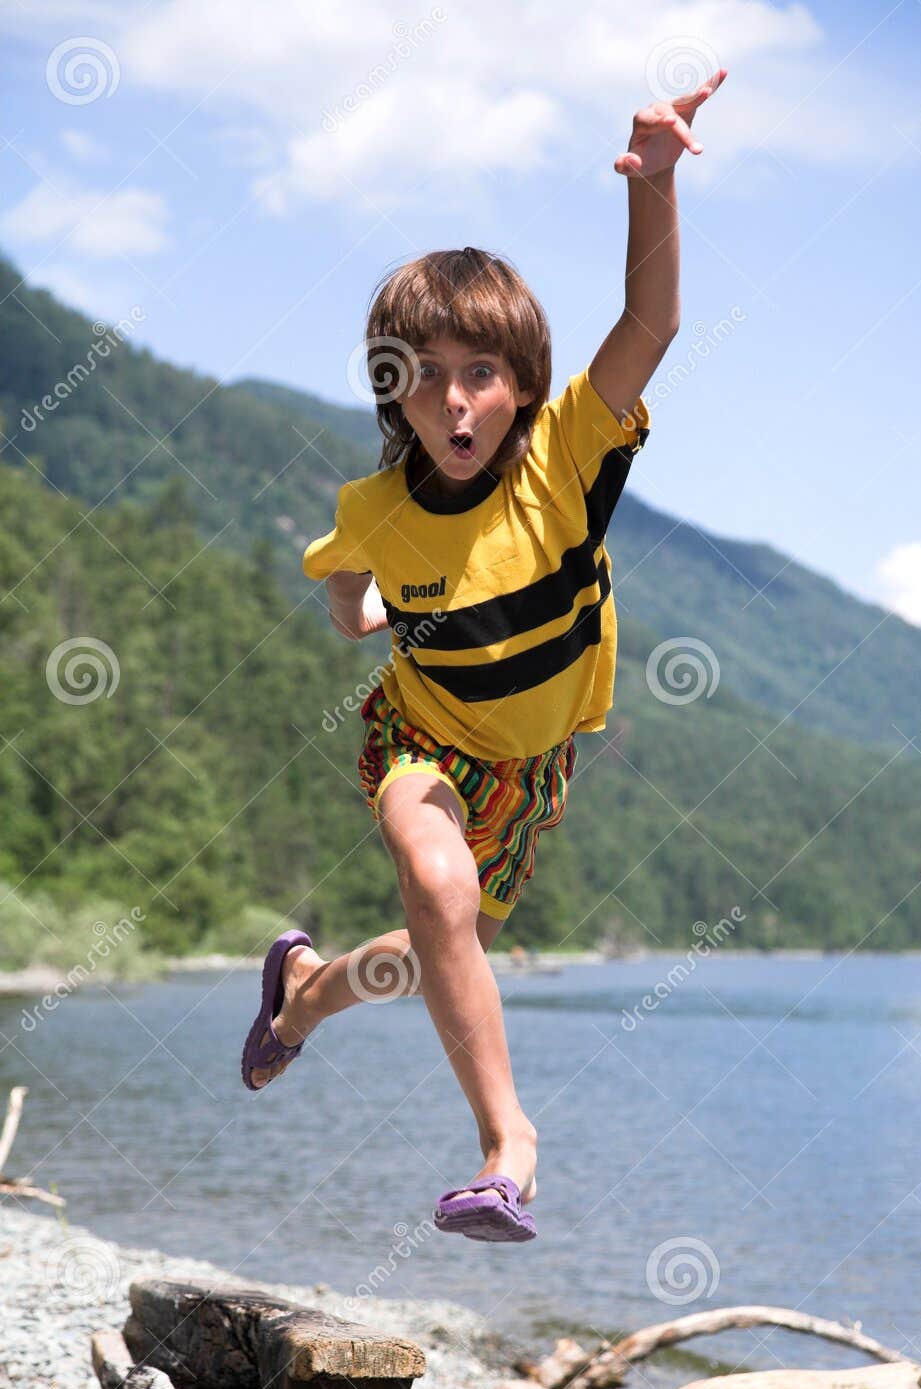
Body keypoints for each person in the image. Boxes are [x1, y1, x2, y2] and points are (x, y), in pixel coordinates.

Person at [240, 72, 728, 1242]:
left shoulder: (564, 459)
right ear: (391, 394)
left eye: (482, 376)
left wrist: (653, 186)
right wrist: (361, 624)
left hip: (534, 769)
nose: (455, 405)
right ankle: (508, 1149)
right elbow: (344, 588)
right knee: (438, 885)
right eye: (425, 381)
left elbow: (650, 325)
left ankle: (302, 992)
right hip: (418, 741)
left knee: (427, 953)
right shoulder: (371, 508)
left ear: (519, 388)